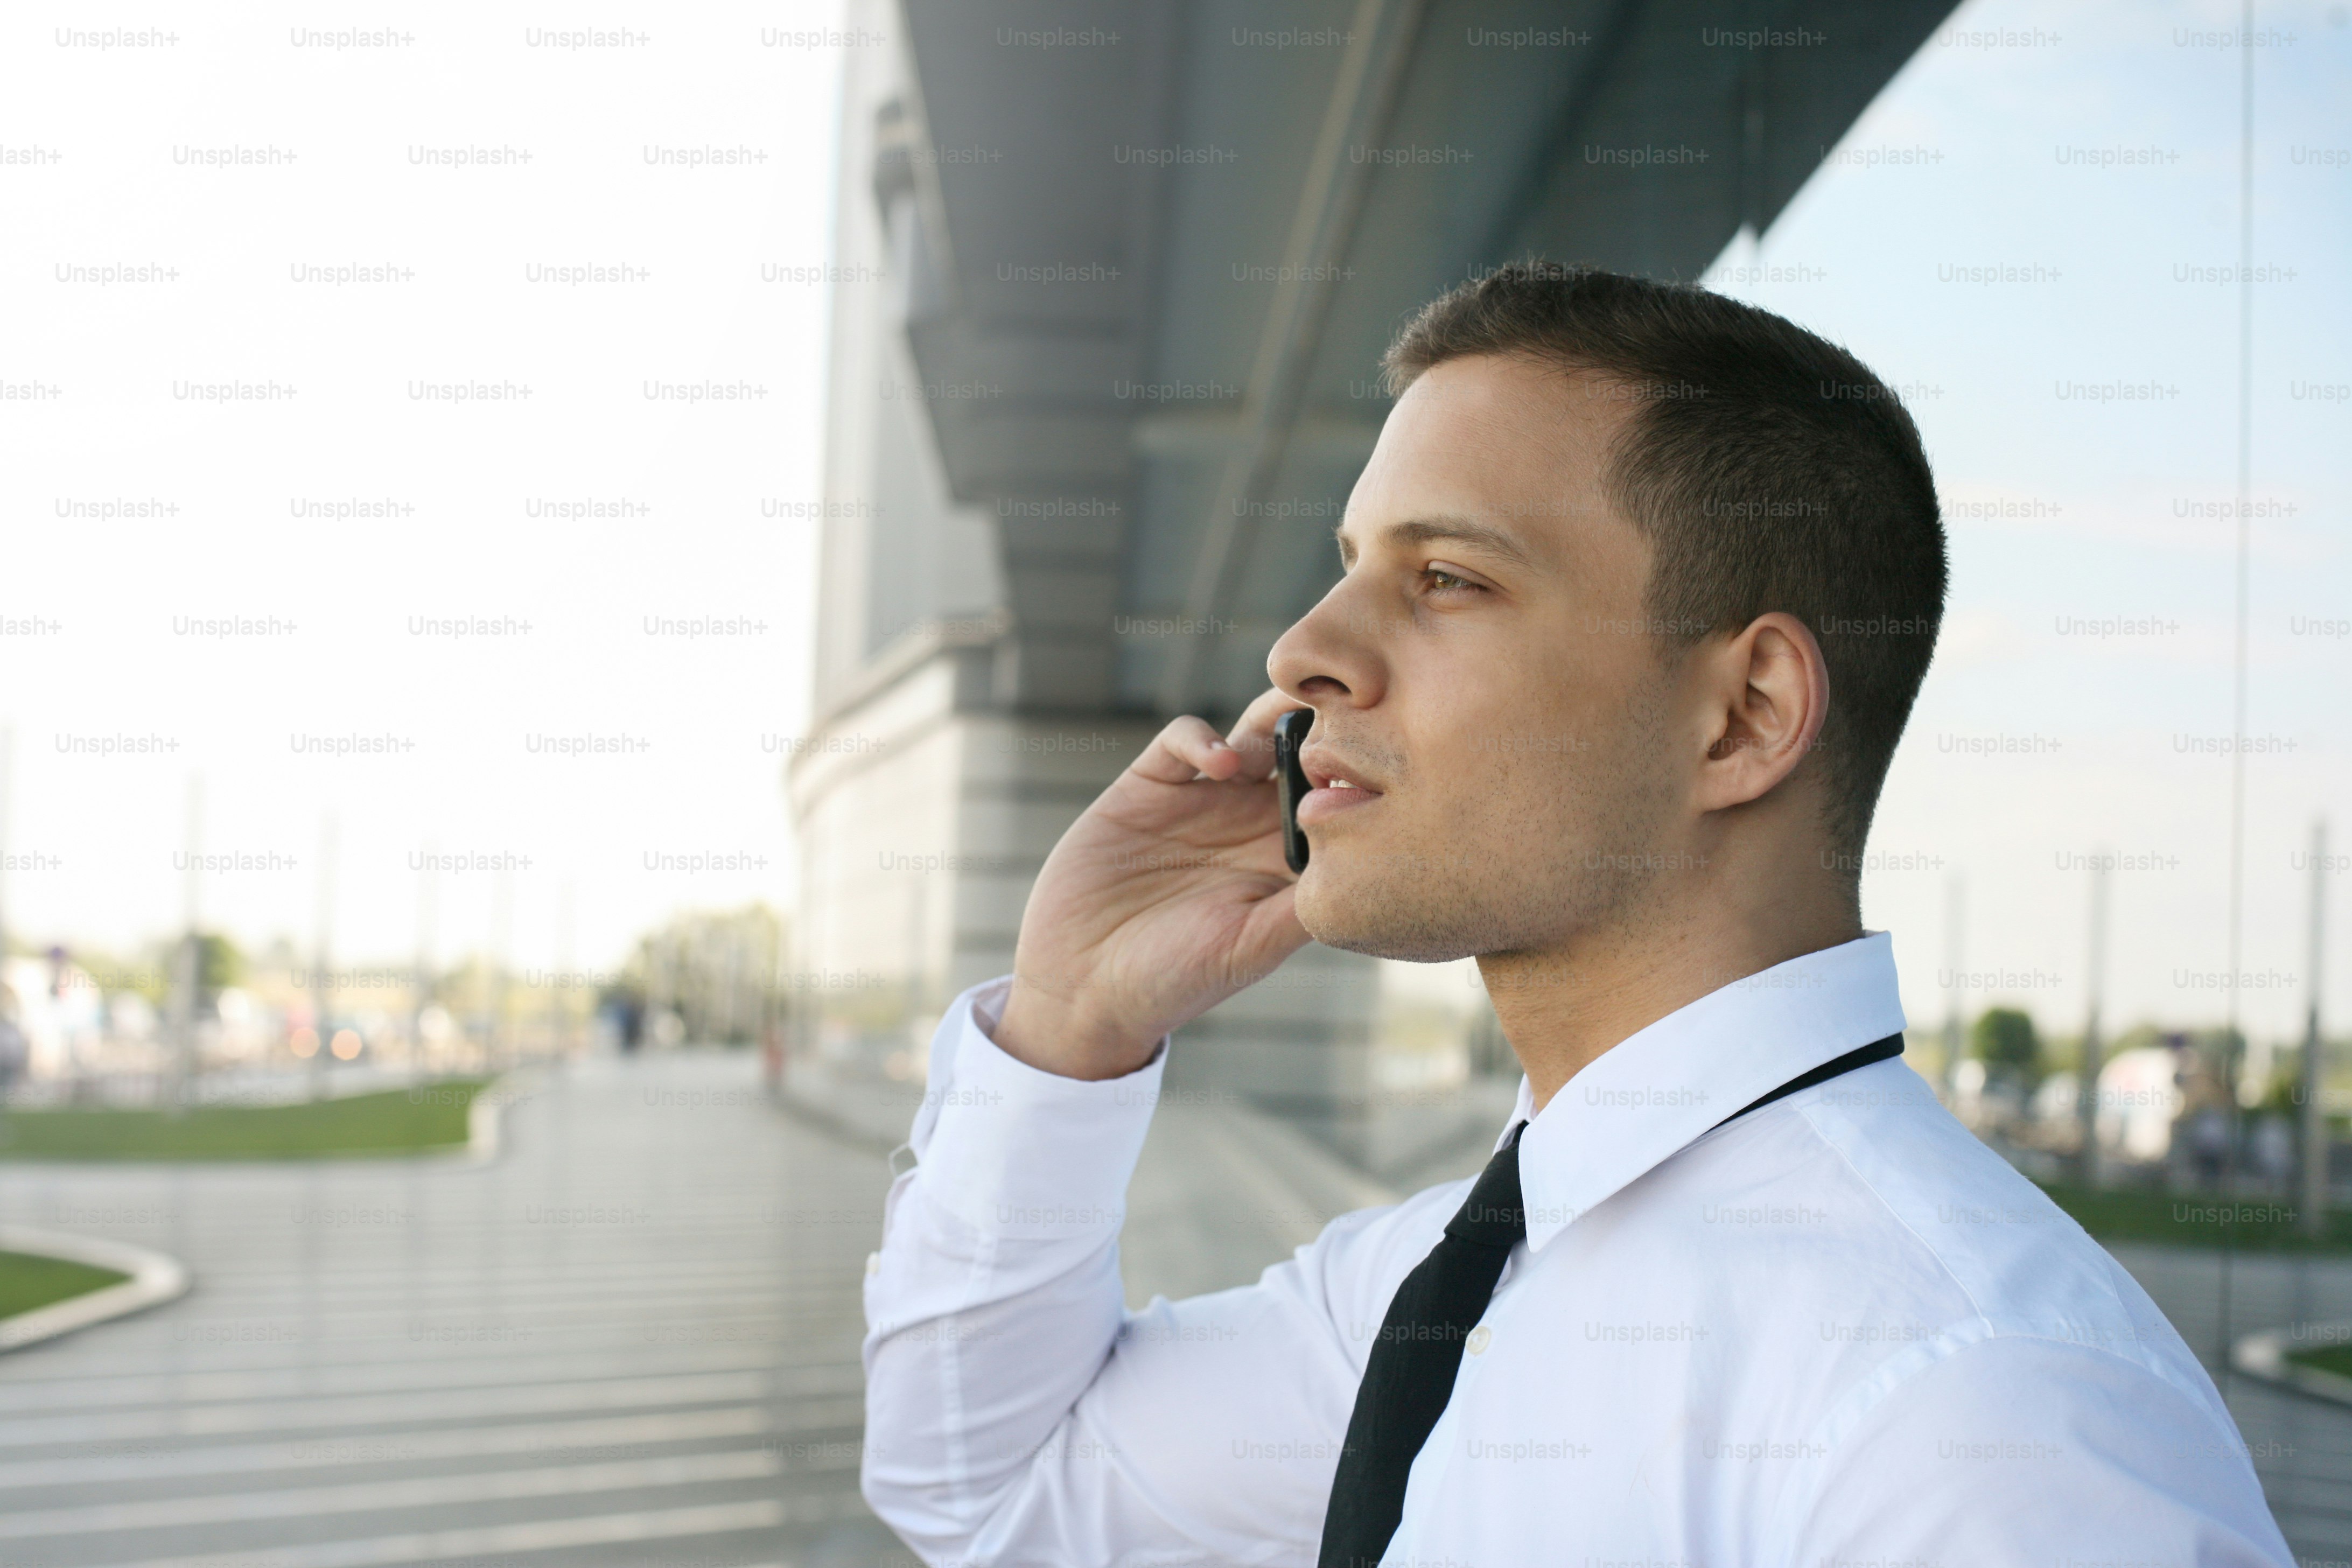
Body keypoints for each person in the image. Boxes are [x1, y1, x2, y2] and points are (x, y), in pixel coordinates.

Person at [858, 265, 2292, 1566]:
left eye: (1447, 579)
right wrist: (1070, 1024)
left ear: (1746, 716)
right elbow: (995, 1490)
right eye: (1349, 563)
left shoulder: (1979, 1412)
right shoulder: (1439, 1286)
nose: (1304, 653)